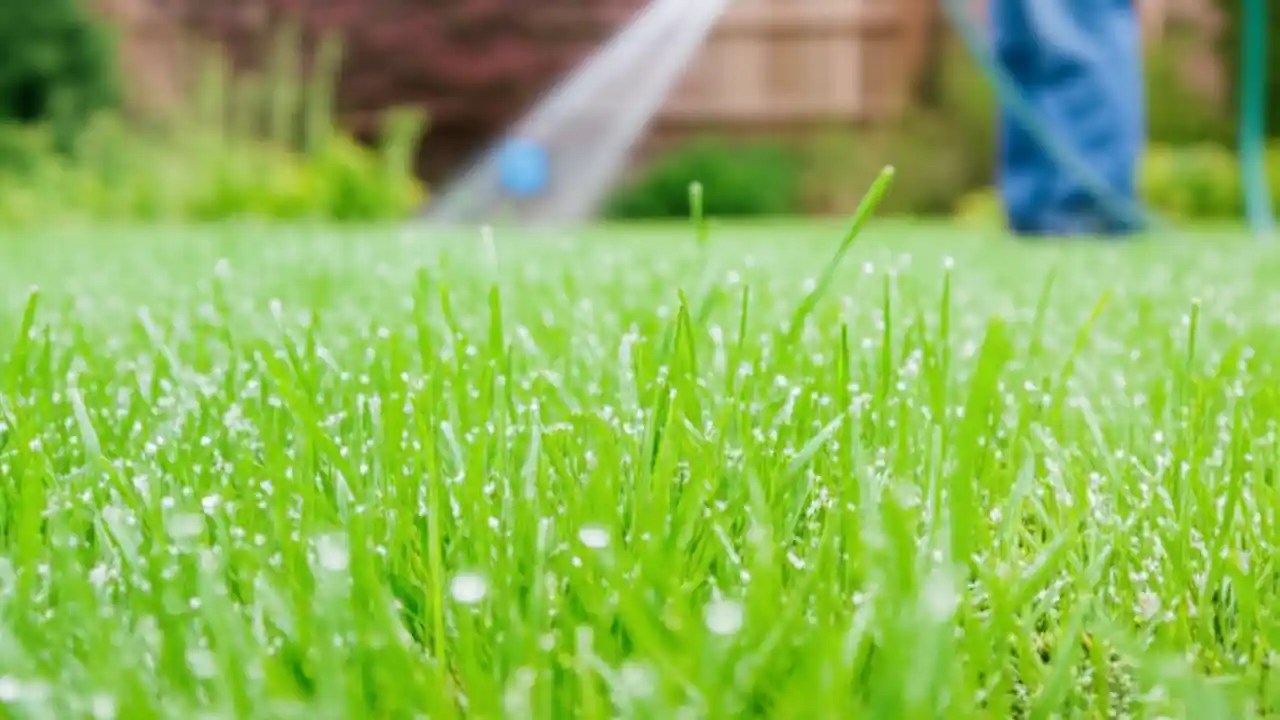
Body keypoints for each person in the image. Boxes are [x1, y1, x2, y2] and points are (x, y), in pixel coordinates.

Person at [993, 0, 1145, 236]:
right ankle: (1032, 211)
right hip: (1029, 208)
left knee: (1076, 26)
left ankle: (1090, 209)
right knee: (1020, 46)